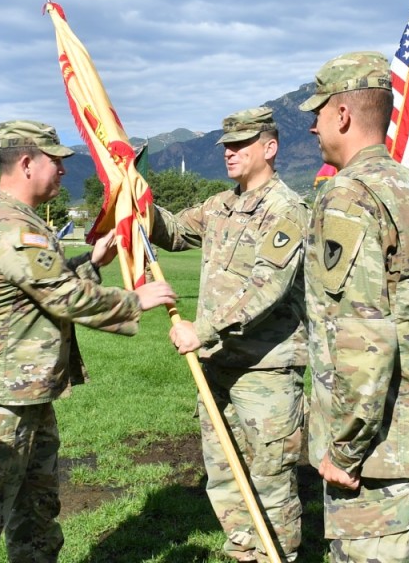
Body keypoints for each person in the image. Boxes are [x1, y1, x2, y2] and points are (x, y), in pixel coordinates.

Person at [0, 120, 177, 563]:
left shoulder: (18, 221)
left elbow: (39, 288)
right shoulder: (9, 226)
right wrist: (136, 299)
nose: (62, 170)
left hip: (27, 395)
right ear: (25, 162)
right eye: (54, 160)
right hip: (4, 401)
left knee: (36, 515)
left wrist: (91, 263)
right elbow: (61, 295)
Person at [300, 52, 409, 563]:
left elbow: (363, 340)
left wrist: (345, 448)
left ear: (344, 115)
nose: (312, 127)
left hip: (379, 456)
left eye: (319, 113)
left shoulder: (347, 196)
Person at [150, 107, 308, 563]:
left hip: (266, 369)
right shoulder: (221, 205)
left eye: (240, 145)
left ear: (269, 147)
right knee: (224, 475)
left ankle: (276, 556)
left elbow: (268, 287)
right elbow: (175, 231)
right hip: (217, 365)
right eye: (227, 146)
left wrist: (201, 330)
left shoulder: (286, 209)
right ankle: (244, 553)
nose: (229, 153)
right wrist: (137, 201)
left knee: (270, 480)